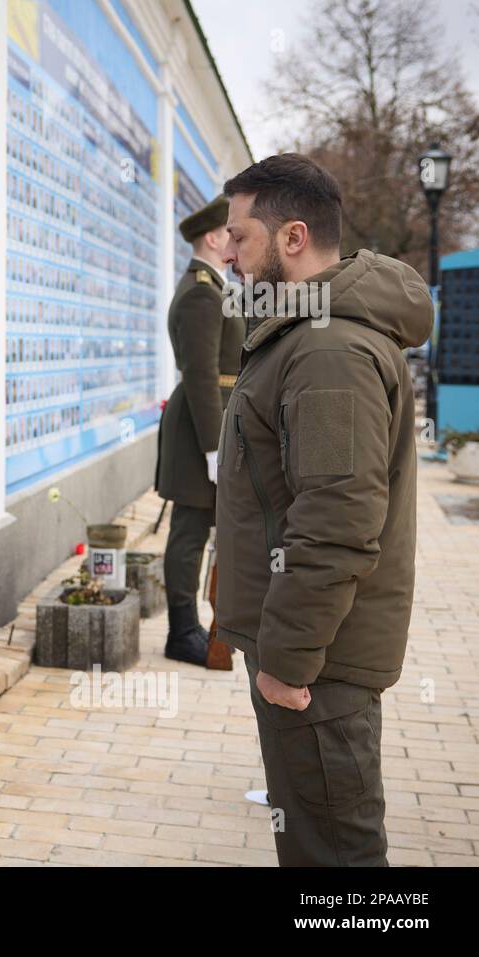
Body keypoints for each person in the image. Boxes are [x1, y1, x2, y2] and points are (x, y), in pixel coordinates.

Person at [215, 153, 433, 867]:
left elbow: (338, 520)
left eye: (241, 236)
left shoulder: (328, 347)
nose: (229, 255)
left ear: (293, 237)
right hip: (310, 654)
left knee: (335, 858)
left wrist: (288, 659)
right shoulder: (308, 333)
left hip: (318, 666)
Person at [152, 195, 240, 666]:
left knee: (199, 528)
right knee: (188, 531)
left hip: (208, 422)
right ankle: (181, 630)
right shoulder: (201, 293)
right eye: (231, 232)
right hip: (199, 428)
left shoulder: (212, 287)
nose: (235, 240)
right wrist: (213, 447)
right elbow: (204, 375)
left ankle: (192, 625)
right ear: (212, 237)